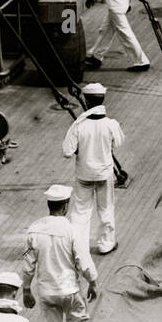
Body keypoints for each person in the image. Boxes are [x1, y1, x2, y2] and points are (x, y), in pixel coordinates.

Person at [21, 185, 97, 322]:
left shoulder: (34, 230)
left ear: (49, 205)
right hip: (70, 289)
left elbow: (28, 264)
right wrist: (92, 281)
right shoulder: (72, 230)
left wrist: (26, 289)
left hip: (47, 291)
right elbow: (83, 260)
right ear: (65, 206)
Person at [63, 83, 124, 255]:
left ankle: (79, 247)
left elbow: (67, 151)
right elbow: (118, 143)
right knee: (106, 209)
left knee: (81, 211)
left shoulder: (78, 125)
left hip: (84, 174)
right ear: (102, 99)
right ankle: (106, 244)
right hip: (104, 173)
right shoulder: (111, 124)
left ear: (86, 101)